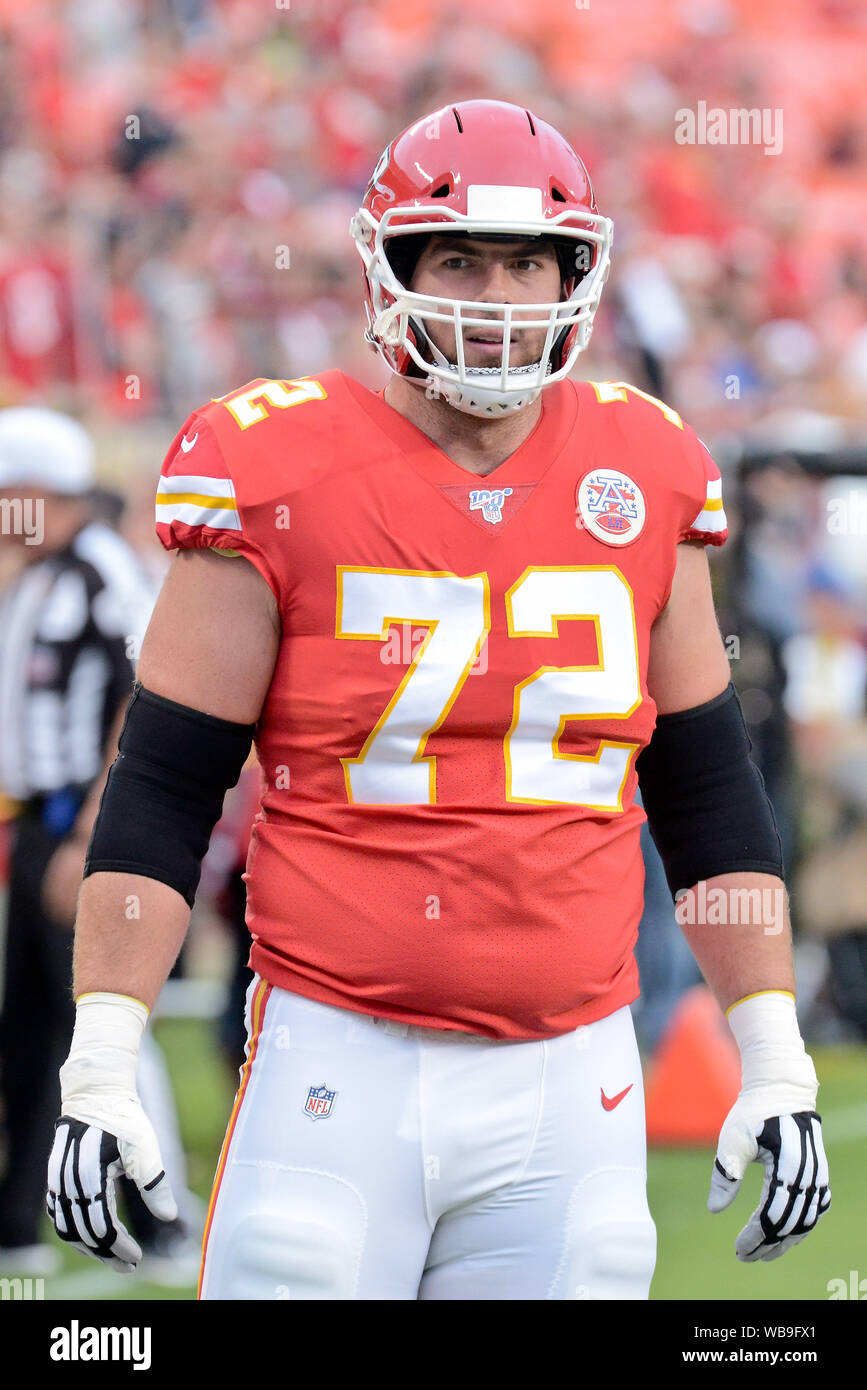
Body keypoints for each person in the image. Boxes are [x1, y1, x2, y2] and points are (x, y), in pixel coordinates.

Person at [46, 100, 829, 1300]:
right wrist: (101, 1062)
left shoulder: (646, 464)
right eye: (458, 257)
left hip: (577, 1073)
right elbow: (162, 784)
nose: (496, 296)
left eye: (526, 263)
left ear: (576, 274)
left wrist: (774, 1055)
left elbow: (709, 792)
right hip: (340, 1056)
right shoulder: (273, 463)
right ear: (391, 265)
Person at [0, 407, 196, 1279]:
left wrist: (91, 833)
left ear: (39, 493)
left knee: (107, 1022)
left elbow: (147, 695)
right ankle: (19, 1221)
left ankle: (160, 1217)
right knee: (34, 1028)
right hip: (35, 820)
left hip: (76, 824)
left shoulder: (101, 569)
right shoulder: (41, 575)